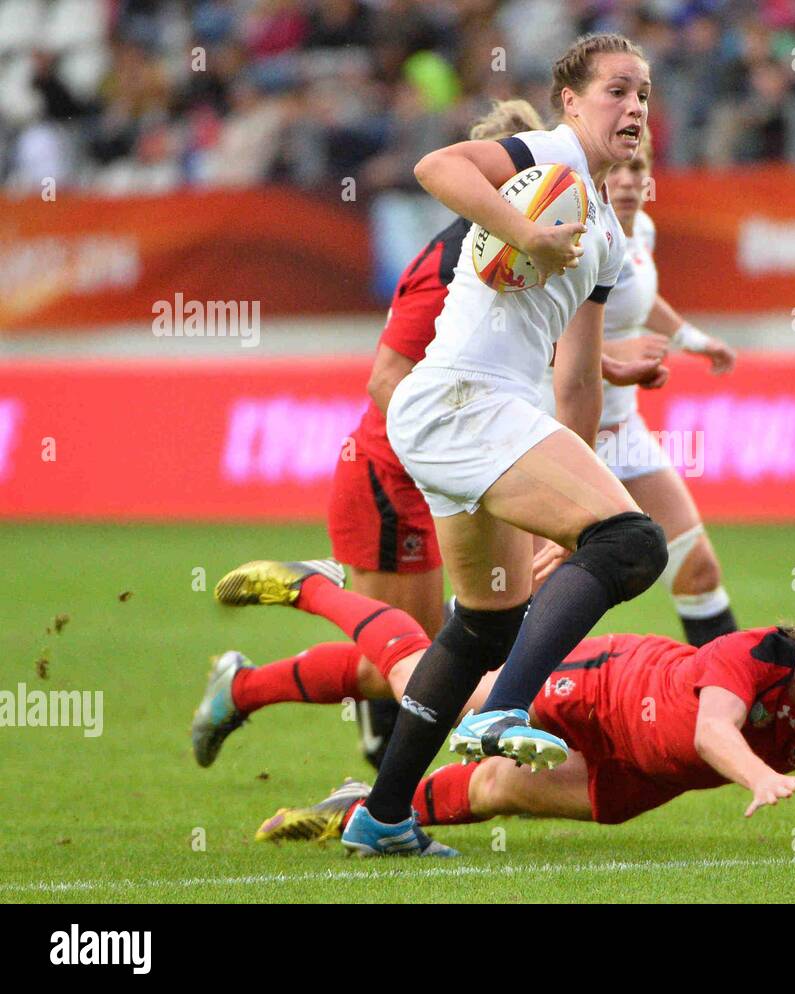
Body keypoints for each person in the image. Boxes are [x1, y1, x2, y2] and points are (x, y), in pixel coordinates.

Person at [189, 98, 664, 773]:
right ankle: (306, 632)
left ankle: (263, 702)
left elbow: (526, 348)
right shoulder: (452, 256)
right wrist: (470, 468)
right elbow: (389, 378)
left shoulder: (522, 250)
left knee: (442, 650)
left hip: (463, 461)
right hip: (394, 475)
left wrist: (605, 361)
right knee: (412, 661)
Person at [307, 33, 664, 856]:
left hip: (477, 417)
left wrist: (556, 524)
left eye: (644, 93)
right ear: (571, 101)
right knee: (633, 541)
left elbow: (576, 382)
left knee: (483, 626)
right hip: (463, 400)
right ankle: (507, 709)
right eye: (617, 90)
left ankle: (383, 816)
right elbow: (438, 166)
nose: (636, 107)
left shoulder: (604, 231)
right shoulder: (548, 155)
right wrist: (524, 233)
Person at [212, 559, 795, 852]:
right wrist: (760, 777)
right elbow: (711, 731)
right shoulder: (752, 654)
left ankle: (362, 809)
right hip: (611, 683)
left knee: (494, 789)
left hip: (646, 775)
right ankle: (315, 590)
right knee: (436, 690)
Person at [536, 125, 740, 648]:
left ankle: (725, 703)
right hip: (554, 434)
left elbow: (640, 299)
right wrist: (609, 360)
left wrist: (692, 339)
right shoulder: (571, 234)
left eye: (638, 170)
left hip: (623, 431)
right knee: (522, 595)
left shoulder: (641, 231)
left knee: (698, 572)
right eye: (619, 170)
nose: (627, 182)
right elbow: (536, 330)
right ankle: (467, 701)